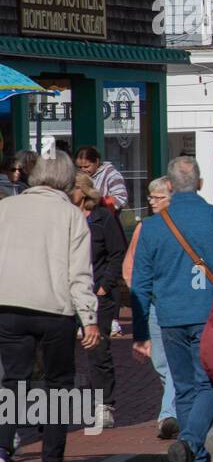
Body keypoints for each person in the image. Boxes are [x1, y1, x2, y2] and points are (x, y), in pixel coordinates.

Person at [130, 156, 213, 462]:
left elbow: (139, 283)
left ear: (168, 186)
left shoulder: (153, 226)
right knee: (212, 385)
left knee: (184, 388)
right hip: (210, 318)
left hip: (169, 319)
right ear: (200, 183)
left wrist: (140, 332)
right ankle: (189, 445)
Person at [0, 152, 100, 462]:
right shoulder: (71, 216)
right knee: (58, 384)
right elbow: (79, 274)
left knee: (13, 380)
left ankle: (1, 451)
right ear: (67, 179)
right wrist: (89, 318)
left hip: (9, 306)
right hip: (55, 310)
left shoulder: (6, 209)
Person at [70, 173, 127, 431]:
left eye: (71, 188)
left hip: (97, 295)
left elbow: (117, 253)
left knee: (97, 350)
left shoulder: (103, 217)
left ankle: (103, 404)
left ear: (82, 191)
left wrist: (105, 286)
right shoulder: (65, 217)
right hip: (68, 293)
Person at [123, 178, 179, 439]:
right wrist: (141, 296)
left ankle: (169, 415)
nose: (152, 201)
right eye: (150, 197)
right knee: (161, 364)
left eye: (158, 197)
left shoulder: (184, 226)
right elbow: (130, 267)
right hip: (154, 304)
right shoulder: (144, 228)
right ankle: (178, 409)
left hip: (179, 305)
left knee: (175, 363)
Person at [74, 145, 128, 214]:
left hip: (103, 219)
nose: (82, 170)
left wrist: (100, 201)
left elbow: (121, 199)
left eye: (86, 166)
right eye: (79, 167)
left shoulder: (112, 175)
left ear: (96, 162)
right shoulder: (76, 175)